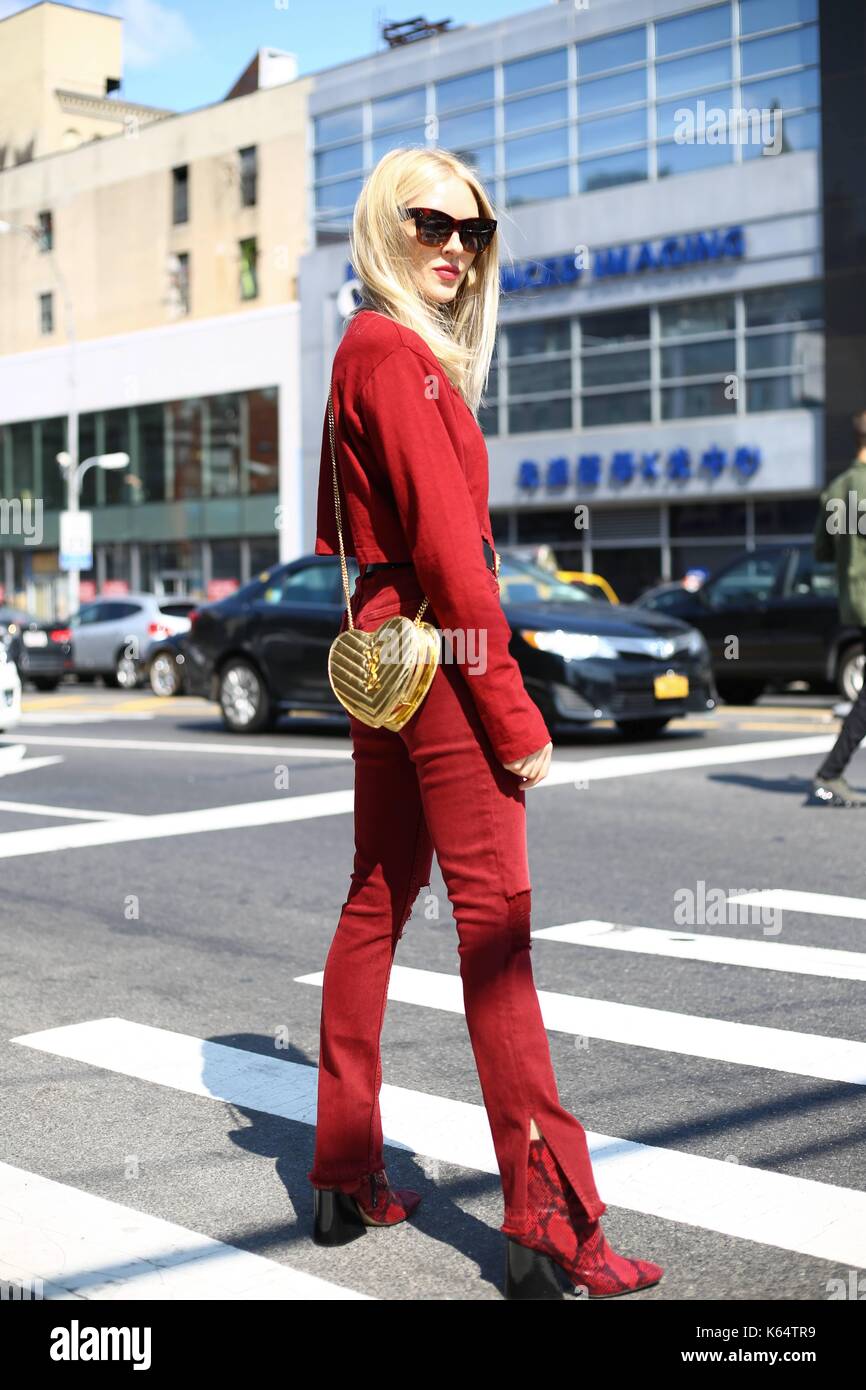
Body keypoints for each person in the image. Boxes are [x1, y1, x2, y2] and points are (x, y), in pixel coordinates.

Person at [305, 145, 663, 1299]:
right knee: (495, 930)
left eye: (473, 230)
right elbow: (456, 559)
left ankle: (344, 1164)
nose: (453, 246)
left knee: (376, 897)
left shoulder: (365, 352)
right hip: (442, 663)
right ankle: (548, 1216)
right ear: (383, 225)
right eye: (429, 223)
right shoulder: (397, 354)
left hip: (384, 651)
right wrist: (511, 714)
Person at [811, 410, 866, 807]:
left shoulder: (837, 490)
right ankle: (830, 774)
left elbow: (823, 551)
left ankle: (830, 773)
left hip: (856, 601)